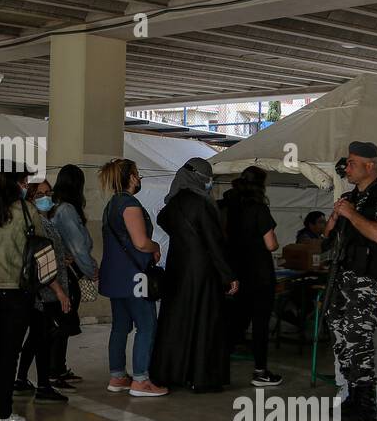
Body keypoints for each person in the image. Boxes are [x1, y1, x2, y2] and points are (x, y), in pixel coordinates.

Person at [0, 164, 70, 421]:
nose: (25, 186)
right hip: (14, 290)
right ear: (14, 183)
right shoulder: (26, 211)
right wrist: (56, 287)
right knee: (8, 353)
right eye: (23, 181)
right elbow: (41, 251)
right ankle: (3, 414)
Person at [323, 141, 377, 421]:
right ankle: (353, 397)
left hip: (363, 282)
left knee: (358, 338)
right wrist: (335, 217)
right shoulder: (348, 198)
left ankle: (367, 407)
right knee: (340, 335)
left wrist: (351, 214)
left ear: (370, 166)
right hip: (341, 277)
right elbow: (327, 238)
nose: (347, 168)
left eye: (352, 163)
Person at [150, 159, 239, 392]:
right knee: (204, 324)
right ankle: (202, 378)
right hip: (202, 271)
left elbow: (163, 221)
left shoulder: (172, 204)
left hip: (178, 268)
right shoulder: (202, 203)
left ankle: (172, 373)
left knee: (177, 322)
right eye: (208, 178)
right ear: (199, 178)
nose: (210, 183)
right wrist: (228, 275)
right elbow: (213, 242)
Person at [98, 158, 166, 397]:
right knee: (146, 325)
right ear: (130, 177)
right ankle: (141, 380)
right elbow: (141, 242)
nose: (139, 178)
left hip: (114, 276)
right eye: (136, 174)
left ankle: (118, 376)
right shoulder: (130, 205)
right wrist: (156, 246)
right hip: (135, 277)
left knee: (120, 326)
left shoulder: (111, 206)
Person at [220, 165, 282, 387]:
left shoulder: (228, 206)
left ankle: (217, 369)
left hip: (235, 272)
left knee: (235, 322)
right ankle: (260, 371)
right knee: (260, 325)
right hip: (259, 274)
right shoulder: (258, 208)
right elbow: (271, 244)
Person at [13, 179, 71, 405]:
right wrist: (59, 291)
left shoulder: (45, 222)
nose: (47, 198)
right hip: (45, 292)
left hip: (45, 290)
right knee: (43, 339)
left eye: (49, 193)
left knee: (36, 338)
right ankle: (44, 385)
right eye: (40, 194)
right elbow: (41, 260)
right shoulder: (37, 223)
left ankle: (21, 378)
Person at [41, 163, 94, 389]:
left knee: (59, 322)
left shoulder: (56, 209)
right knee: (61, 324)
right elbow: (78, 245)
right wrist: (91, 270)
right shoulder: (67, 210)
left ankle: (57, 368)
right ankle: (54, 371)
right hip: (66, 275)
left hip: (58, 272)